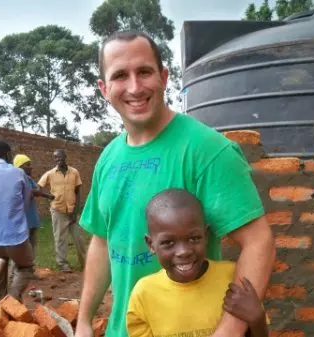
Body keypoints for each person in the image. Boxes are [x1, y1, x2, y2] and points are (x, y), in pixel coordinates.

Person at [75, 31, 275, 337]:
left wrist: (229, 330)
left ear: (164, 76)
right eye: (120, 76)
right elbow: (103, 242)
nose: (134, 87)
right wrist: (85, 320)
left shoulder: (206, 150)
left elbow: (258, 242)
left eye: (144, 72)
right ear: (103, 88)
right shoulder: (108, 158)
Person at [126, 188, 268, 337]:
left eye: (193, 238)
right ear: (151, 244)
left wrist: (257, 320)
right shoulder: (145, 294)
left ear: (205, 236)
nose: (183, 251)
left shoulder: (234, 279)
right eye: (168, 242)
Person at [0, 139, 35, 304]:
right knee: (26, 267)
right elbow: (26, 202)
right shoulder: (18, 173)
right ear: (9, 155)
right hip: (15, 237)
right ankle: (13, 299)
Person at [37, 149, 86, 272]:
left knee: (79, 237)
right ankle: (63, 264)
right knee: (60, 238)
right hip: (58, 211)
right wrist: (48, 196)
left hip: (72, 211)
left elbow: (78, 192)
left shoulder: (74, 172)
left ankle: (85, 263)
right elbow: (38, 188)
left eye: (60, 157)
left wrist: (75, 211)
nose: (58, 159)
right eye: (55, 158)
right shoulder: (50, 174)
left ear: (65, 156)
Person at [13, 154, 54, 259]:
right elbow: (32, 191)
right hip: (24, 219)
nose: (31, 167)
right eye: (28, 164)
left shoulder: (28, 179)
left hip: (31, 217)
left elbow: (35, 191)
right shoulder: (18, 179)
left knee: (31, 243)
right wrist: (47, 195)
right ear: (20, 167)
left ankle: (29, 268)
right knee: (23, 245)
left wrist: (38, 193)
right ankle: (19, 269)